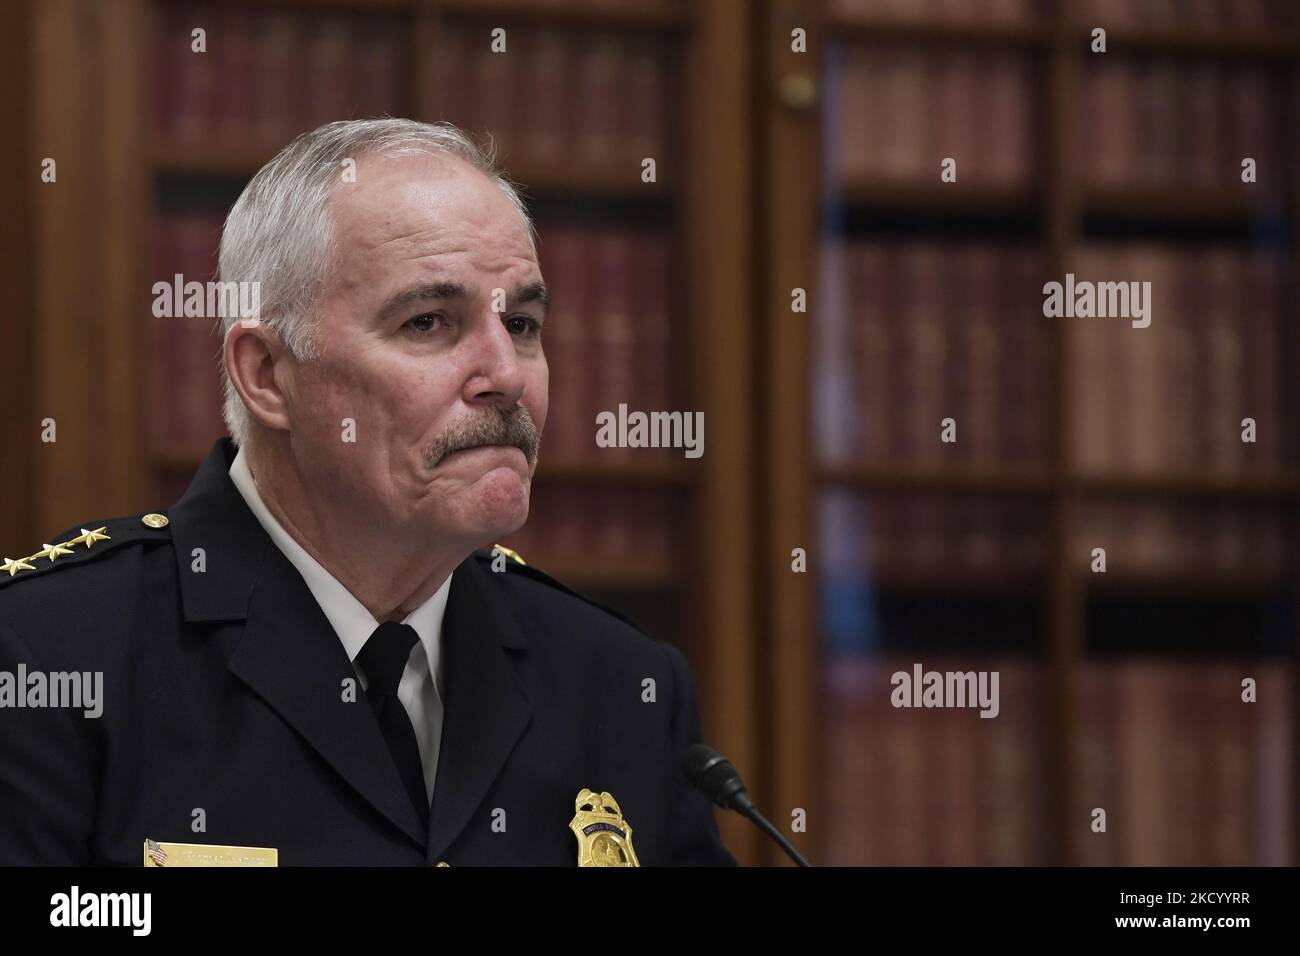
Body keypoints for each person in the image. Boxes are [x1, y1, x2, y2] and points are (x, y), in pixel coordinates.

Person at [0, 118, 735, 866]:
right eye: (428, 323)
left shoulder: (621, 685)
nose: (506, 375)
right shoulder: (49, 658)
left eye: (520, 323)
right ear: (266, 375)